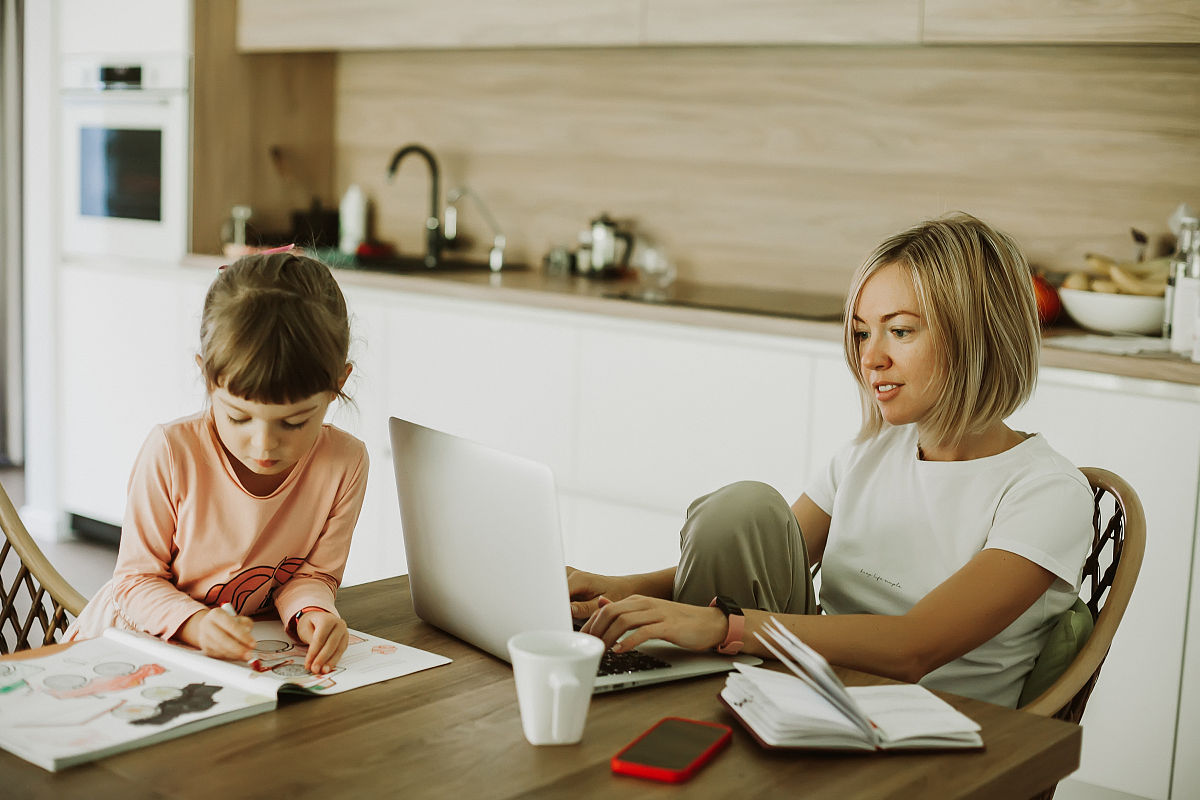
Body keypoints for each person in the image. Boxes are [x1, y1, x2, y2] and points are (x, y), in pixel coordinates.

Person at [570, 213, 1094, 707]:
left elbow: (915, 647)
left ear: (978, 333)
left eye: (901, 330)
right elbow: (757, 551)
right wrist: (624, 589)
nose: (870, 357)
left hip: (930, 729)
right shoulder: (868, 455)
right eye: (864, 332)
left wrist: (723, 627)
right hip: (809, 692)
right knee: (742, 510)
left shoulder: (1046, 492)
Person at [67, 249, 368, 675]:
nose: (264, 445)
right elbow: (134, 583)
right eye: (239, 416)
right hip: (125, 650)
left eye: (295, 422)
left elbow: (312, 575)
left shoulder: (345, 463)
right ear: (207, 378)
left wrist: (314, 613)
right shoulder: (172, 452)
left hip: (233, 666)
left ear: (339, 385)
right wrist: (196, 623)